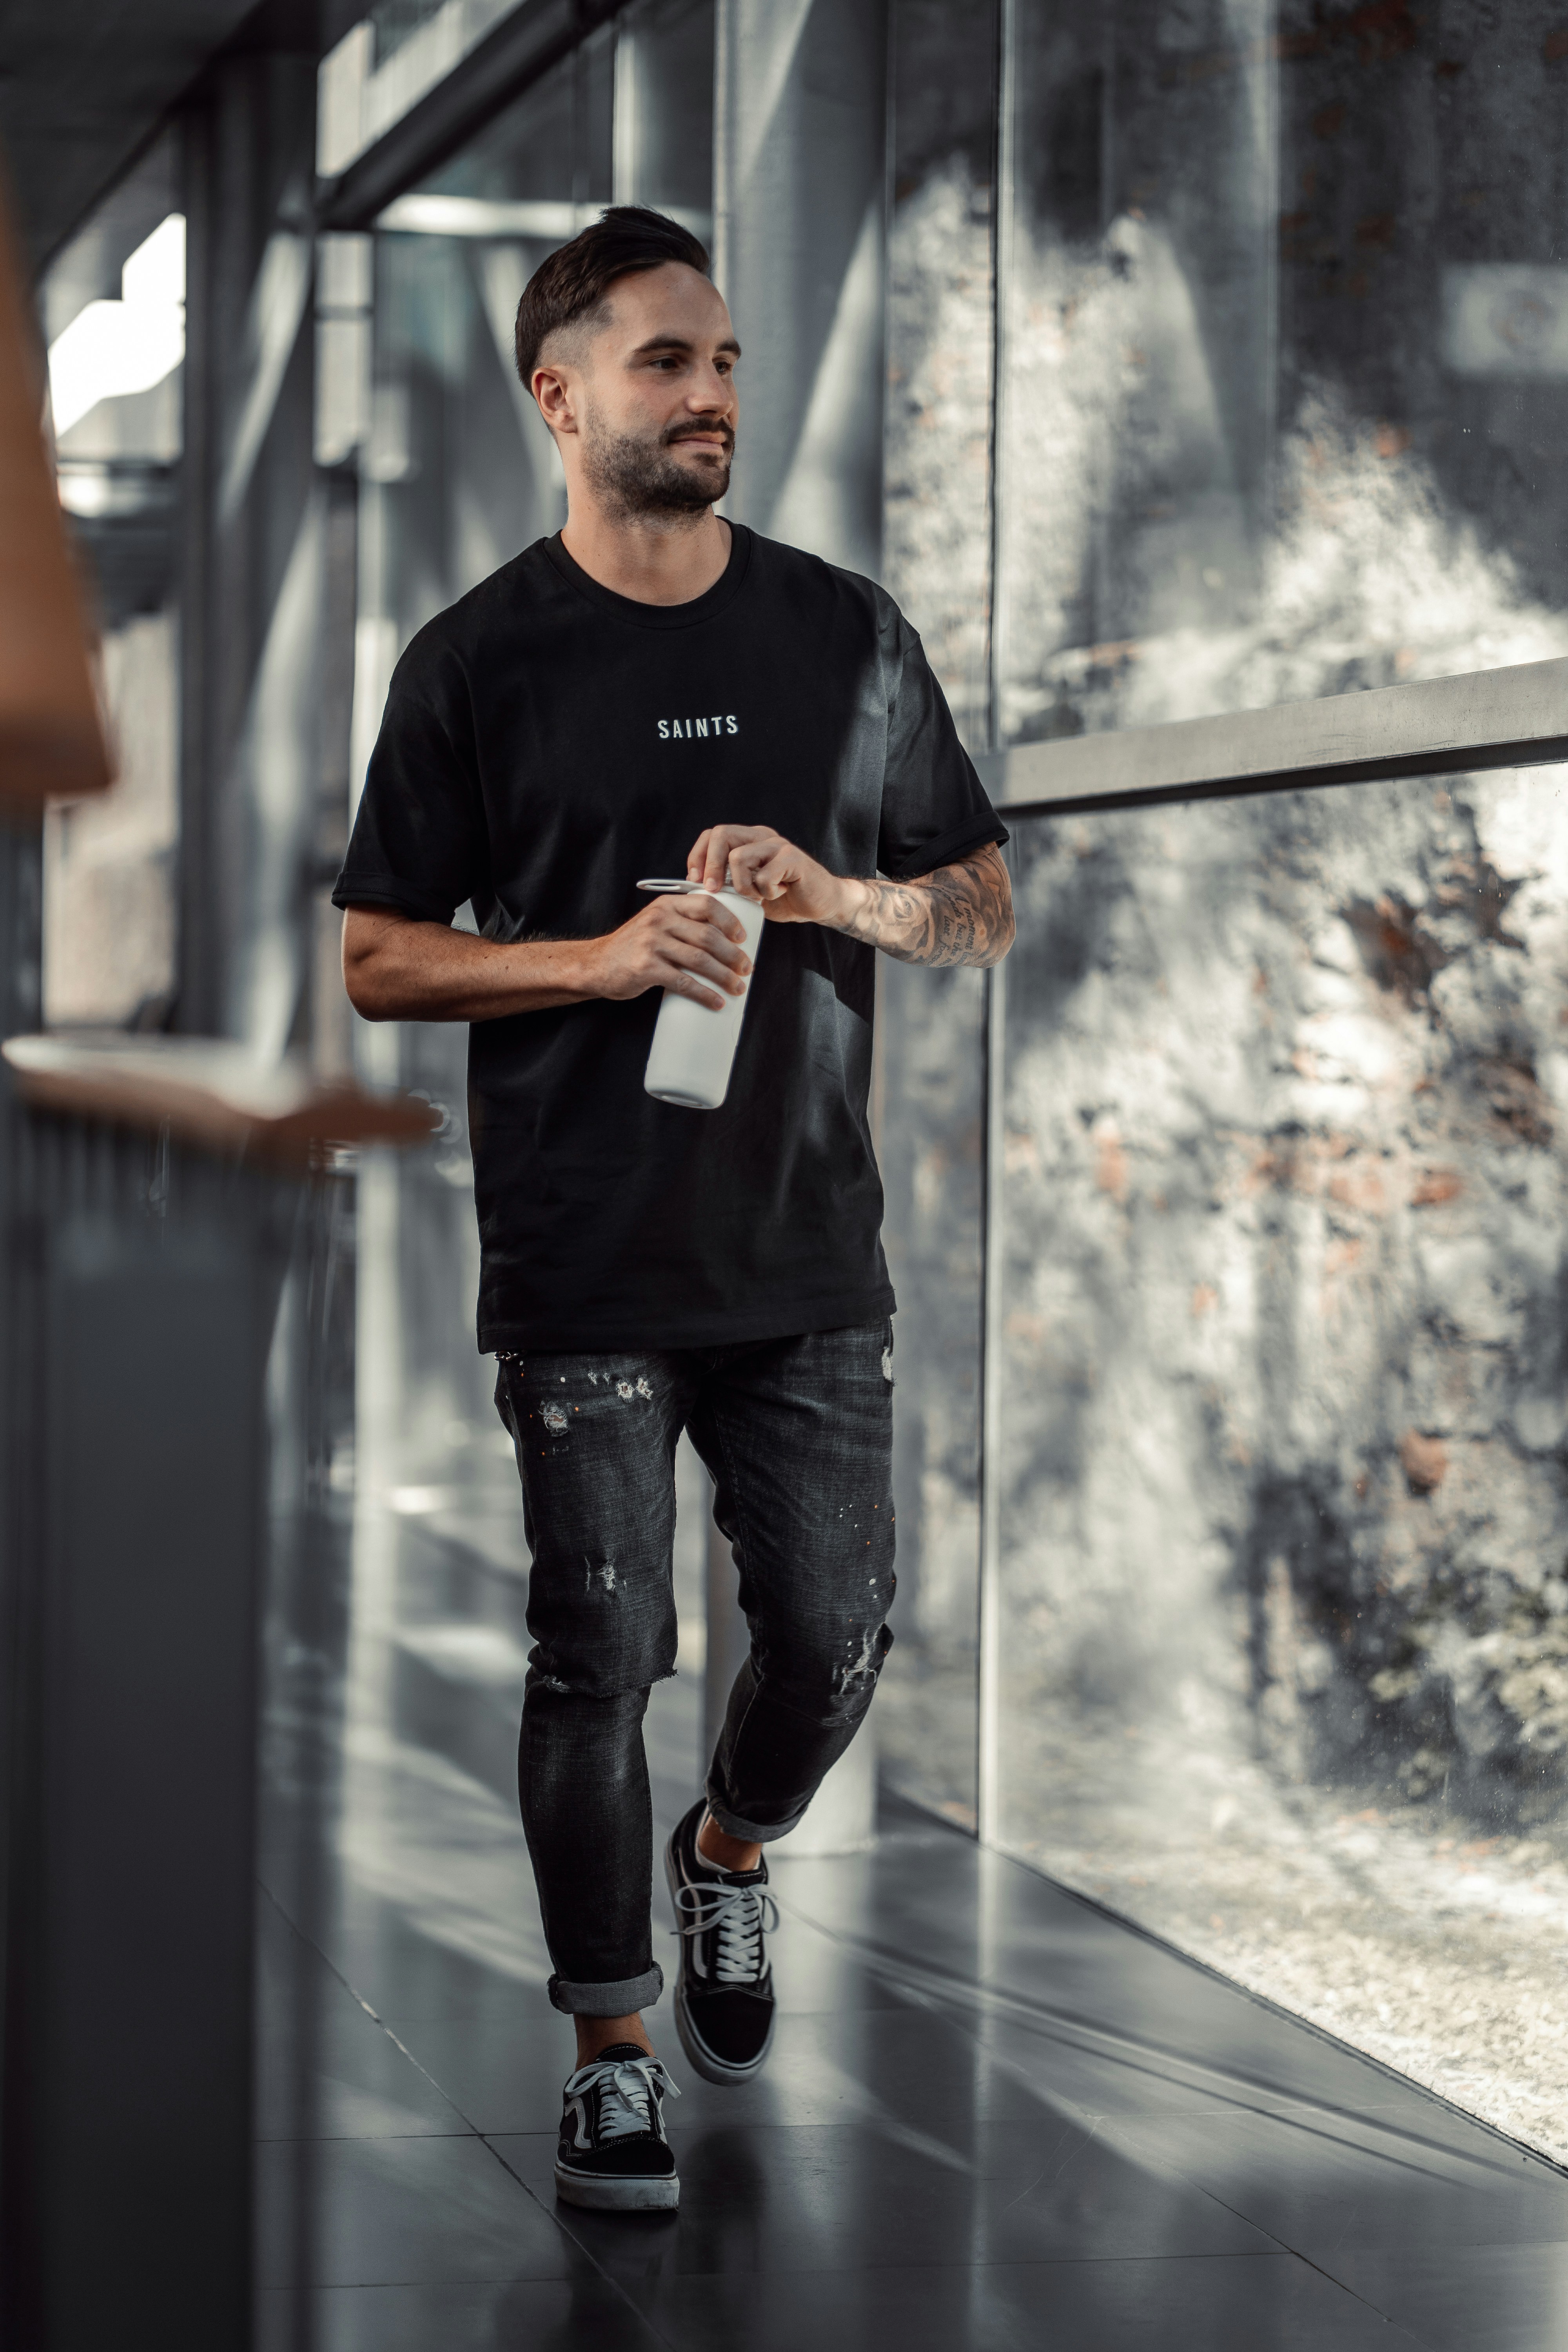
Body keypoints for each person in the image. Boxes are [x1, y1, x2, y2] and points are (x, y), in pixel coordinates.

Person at [335, 205, 1014, 2214]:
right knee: (594, 1652)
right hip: (584, 1255)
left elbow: (972, 905)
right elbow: (380, 959)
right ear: (560, 396)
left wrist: (836, 893)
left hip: (806, 1254)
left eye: (723, 360)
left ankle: (727, 1857)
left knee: (828, 1634)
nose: (713, 392)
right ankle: (611, 2046)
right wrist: (597, 961)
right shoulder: (474, 660)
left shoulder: (843, 631)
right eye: (665, 362)